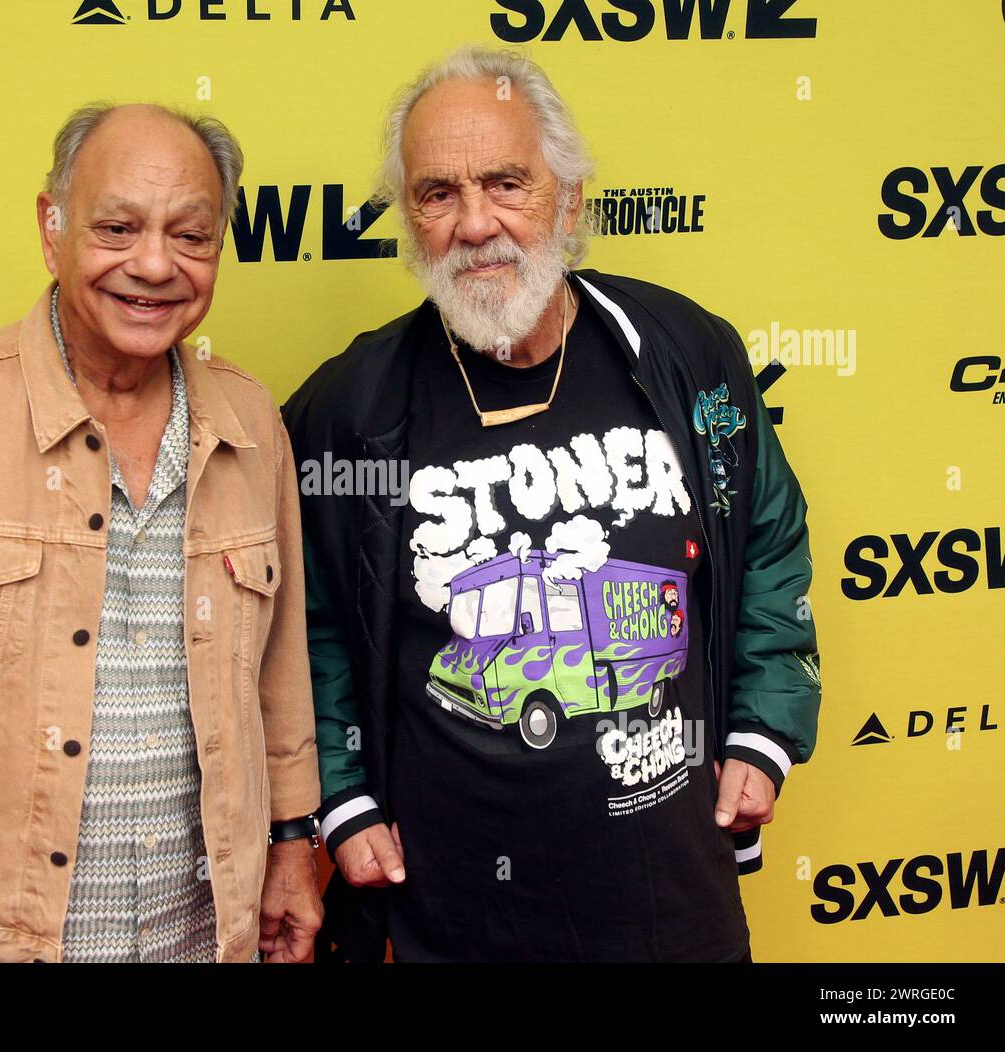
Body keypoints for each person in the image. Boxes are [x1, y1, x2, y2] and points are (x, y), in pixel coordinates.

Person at [283, 47, 822, 962]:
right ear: (410, 222)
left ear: (569, 200)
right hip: (448, 916)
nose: (475, 224)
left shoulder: (687, 351)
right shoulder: (350, 408)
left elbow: (766, 539)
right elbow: (313, 622)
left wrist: (764, 730)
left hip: (672, 903)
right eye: (436, 194)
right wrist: (342, 796)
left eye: (506, 183)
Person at [0, 103, 323, 964]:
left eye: (191, 236)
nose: (154, 264)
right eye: (117, 227)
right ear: (52, 227)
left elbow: (280, 670)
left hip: (202, 939)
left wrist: (294, 845)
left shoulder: (250, 421)